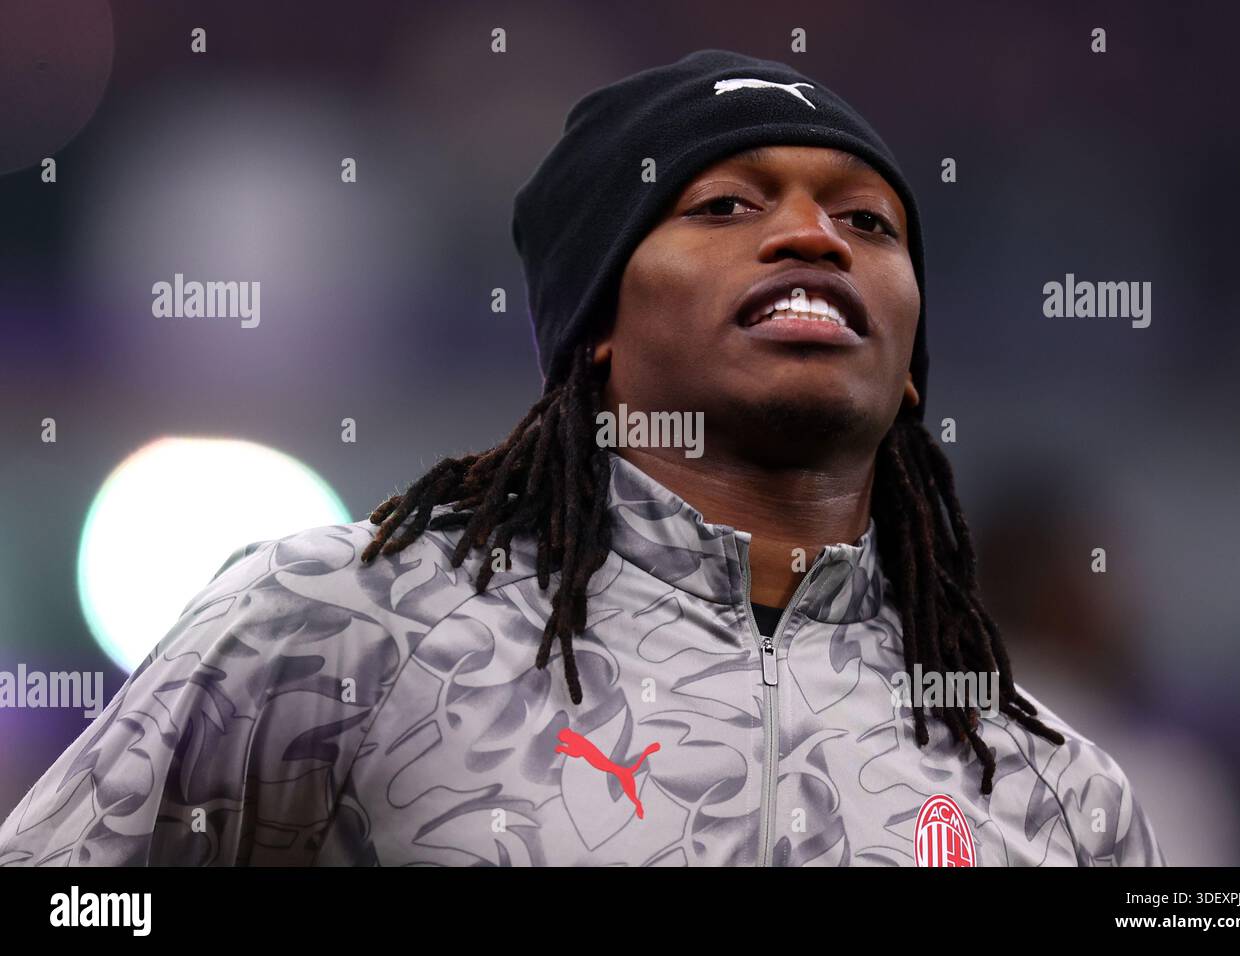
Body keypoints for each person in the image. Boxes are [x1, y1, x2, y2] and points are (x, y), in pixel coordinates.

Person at [0, 49, 1164, 867]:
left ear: (908, 363)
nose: (813, 233)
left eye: (867, 223)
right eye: (722, 204)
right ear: (595, 318)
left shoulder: (1056, 791)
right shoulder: (341, 628)